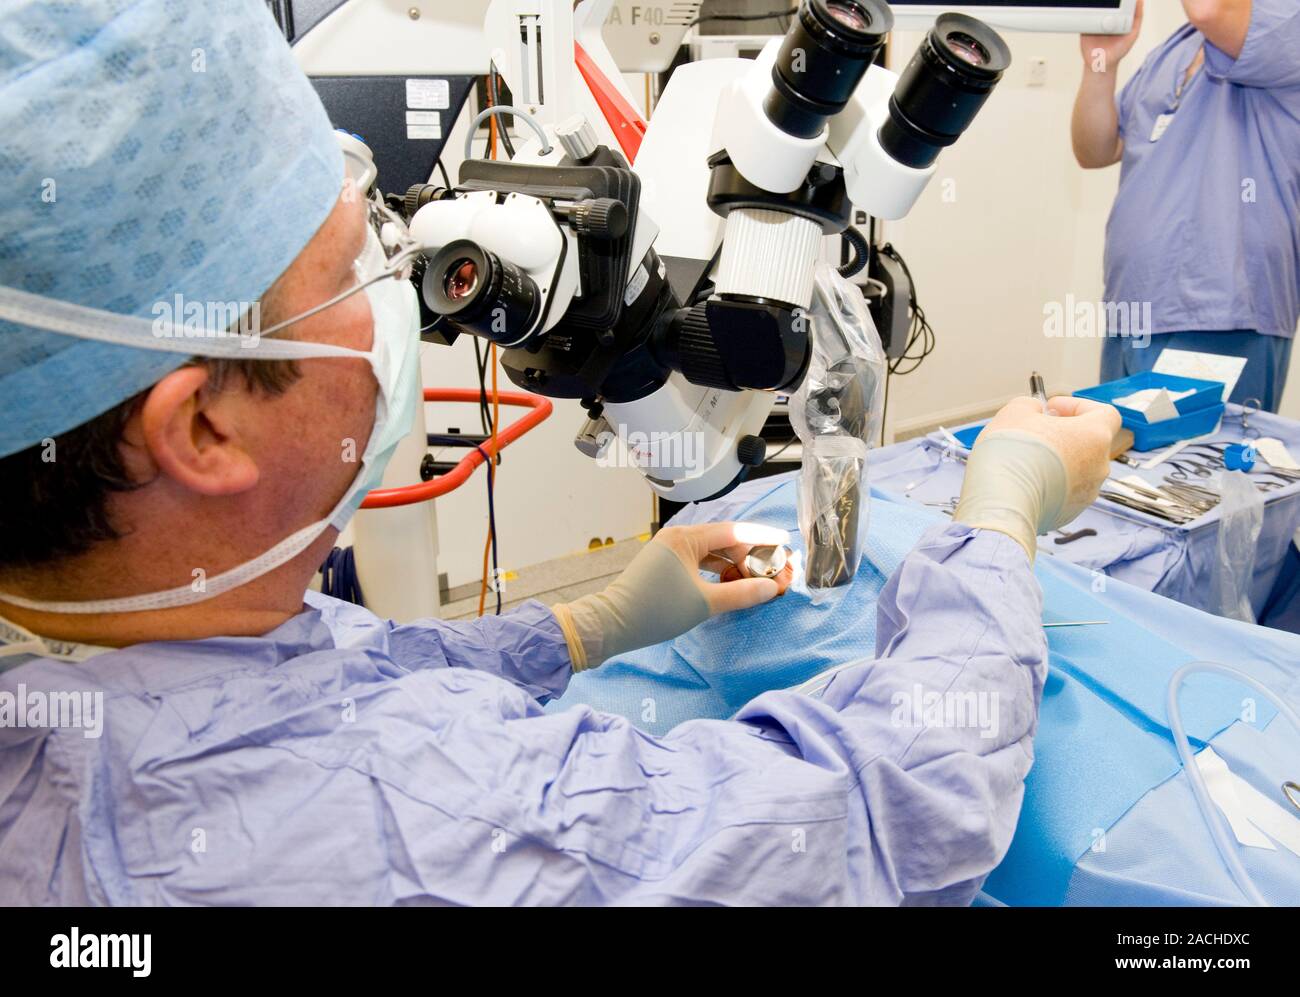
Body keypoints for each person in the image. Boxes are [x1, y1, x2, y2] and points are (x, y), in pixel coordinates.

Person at [0, 0, 1121, 905]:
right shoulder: (418, 817)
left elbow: (325, 677)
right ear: (204, 430)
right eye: (352, 266)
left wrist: (582, 627)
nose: (398, 288)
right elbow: (880, 812)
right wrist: (1001, 513)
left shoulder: (101, 670)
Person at [1071, 0, 1300, 412]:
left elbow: (1209, 10)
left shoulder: (1287, 22)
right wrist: (1099, 63)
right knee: (1125, 472)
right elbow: (1096, 150)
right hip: (1135, 305)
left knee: (1197, 471)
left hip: (1223, 315)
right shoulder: (1173, 49)